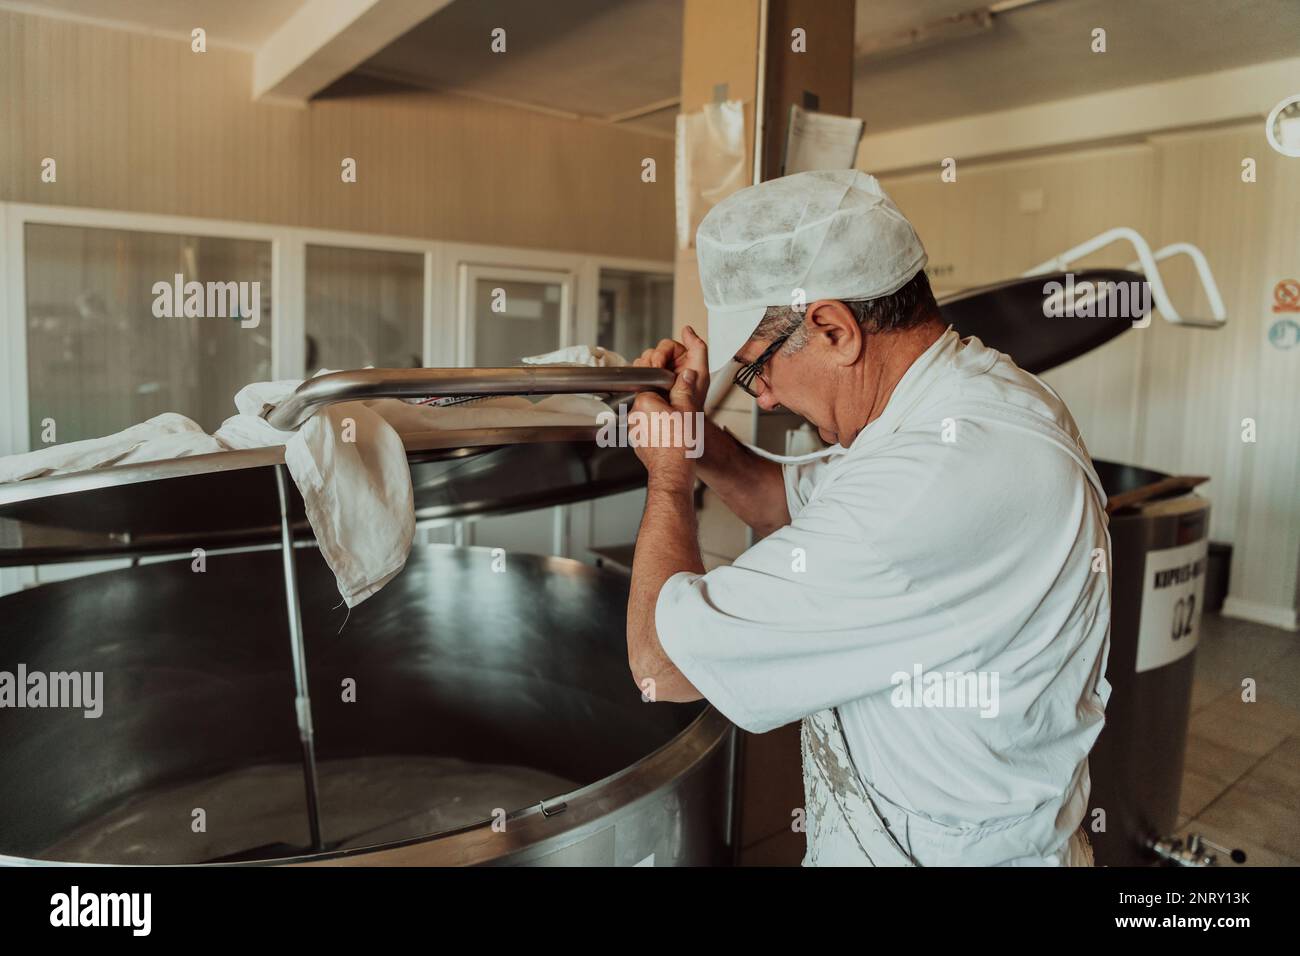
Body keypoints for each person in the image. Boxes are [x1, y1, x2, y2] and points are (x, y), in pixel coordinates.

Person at [625, 169, 1111, 866]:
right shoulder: (965, 396)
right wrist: (693, 437)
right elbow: (777, 499)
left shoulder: (936, 477)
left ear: (832, 328)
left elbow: (660, 665)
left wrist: (667, 477)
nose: (761, 398)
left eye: (757, 366)